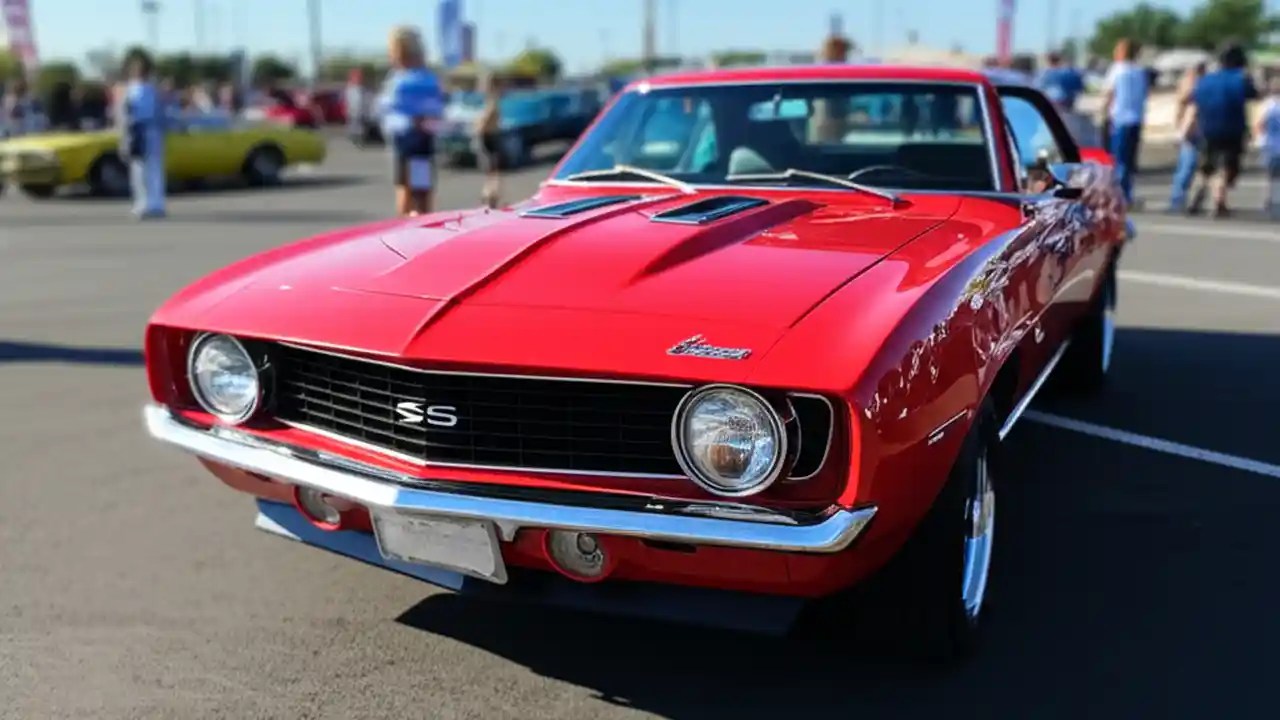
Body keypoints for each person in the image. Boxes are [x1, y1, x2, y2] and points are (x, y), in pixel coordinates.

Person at [378, 26, 445, 216]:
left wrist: (408, 122)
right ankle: (420, 228)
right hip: (422, 141)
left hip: (406, 142)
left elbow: (387, 111)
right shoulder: (428, 78)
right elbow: (437, 109)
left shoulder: (398, 80)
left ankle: (407, 233)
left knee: (406, 191)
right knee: (422, 194)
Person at [1188, 43, 1260, 217]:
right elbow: (1255, 94)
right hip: (1232, 129)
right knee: (1227, 167)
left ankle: (1195, 197)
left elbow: (1194, 101)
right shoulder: (1241, 79)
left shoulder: (1205, 80)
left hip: (1207, 128)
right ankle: (1218, 201)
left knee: (1206, 165)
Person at [1101, 38, 1149, 206]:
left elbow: (1109, 93)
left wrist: (1103, 112)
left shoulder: (1117, 69)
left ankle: (1117, 196)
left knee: (1117, 159)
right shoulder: (1139, 71)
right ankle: (1126, 193)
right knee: (1129, 160)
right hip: (1136, 119)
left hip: (1119, 118)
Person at [120, 50, 167, 220]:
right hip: (141, 133)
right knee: (142, 170)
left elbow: (145, 112)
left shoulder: (144, 89)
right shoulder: (136, 89)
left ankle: (151, 205)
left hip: (145, 132)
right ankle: (147, 204)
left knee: (147, 170)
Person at [1169, 62, 1207, 212]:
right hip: (1191, 132)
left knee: (1197, 168)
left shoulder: (1200, 88)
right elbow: (1182, 105)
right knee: (1187, 166)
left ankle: (1188, 200)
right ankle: (1177, 200)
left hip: (1199, 131)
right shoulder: (1190, 89)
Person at [474, 73, 506, 208]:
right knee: (491, 170)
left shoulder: (492, 102)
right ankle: (490, 196)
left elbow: (486, 121)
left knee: (491, 170)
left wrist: (477, 127)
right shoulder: (491, 101)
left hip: (488, 137)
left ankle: (490, 197)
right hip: (490, 137)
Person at [1255, 77, 1280, 220]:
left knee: (1271, 177)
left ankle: (1270, 201)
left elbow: (1259, 124)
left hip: (1270, 146)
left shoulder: (1266, 105)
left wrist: (1259, 139)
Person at [344, 68, 367, 144]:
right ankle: (355, 137)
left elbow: (364, 100)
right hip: (353, 110)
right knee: (353, 124)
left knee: (360, 125)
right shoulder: (350, 88)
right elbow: (348, 100)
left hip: (361, 110)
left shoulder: (362, 88)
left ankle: (359, 138)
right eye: (356, 77)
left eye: (359, 77)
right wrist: (347, 108)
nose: (359, 79)